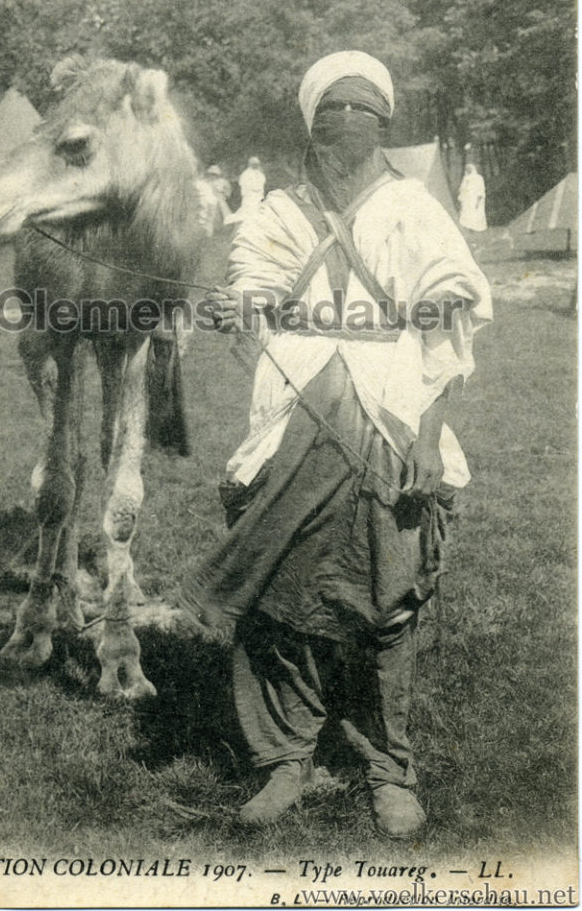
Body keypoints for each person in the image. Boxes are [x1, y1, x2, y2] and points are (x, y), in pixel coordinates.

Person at [182, 51, 492, 838]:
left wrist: (427, 436)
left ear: (385, 124)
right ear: (312, 125)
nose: (346, 125)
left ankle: (388, 768)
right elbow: (253, 290)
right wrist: (237, 312)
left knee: (388, 595)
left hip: (393, 406)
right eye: (332, 113)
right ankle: (283, 759)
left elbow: (445, 326)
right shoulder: (282, 210)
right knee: (277, 591)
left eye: (362, 112)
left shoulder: (416, 209)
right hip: (293, 404)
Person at [227, 156, 266, 224]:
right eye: (254, 164)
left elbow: (262, 183)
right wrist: (251, 190)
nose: (255, 165)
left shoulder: (260, 174)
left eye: (256, 164)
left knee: (257, 212)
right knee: (247, 212)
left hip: (258, 196)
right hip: (249, 196)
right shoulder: (246, 174)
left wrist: (260, 193)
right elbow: (243, 184)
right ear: (250, 164)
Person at [458, 162, 488, 232]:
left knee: (474, 212)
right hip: (471, 197)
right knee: (471, 211)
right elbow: (463, 188)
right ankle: (471, 227)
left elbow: (463, 189)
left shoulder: (475, 178)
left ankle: (472, 227)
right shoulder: (471, 178)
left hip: (473, 197)